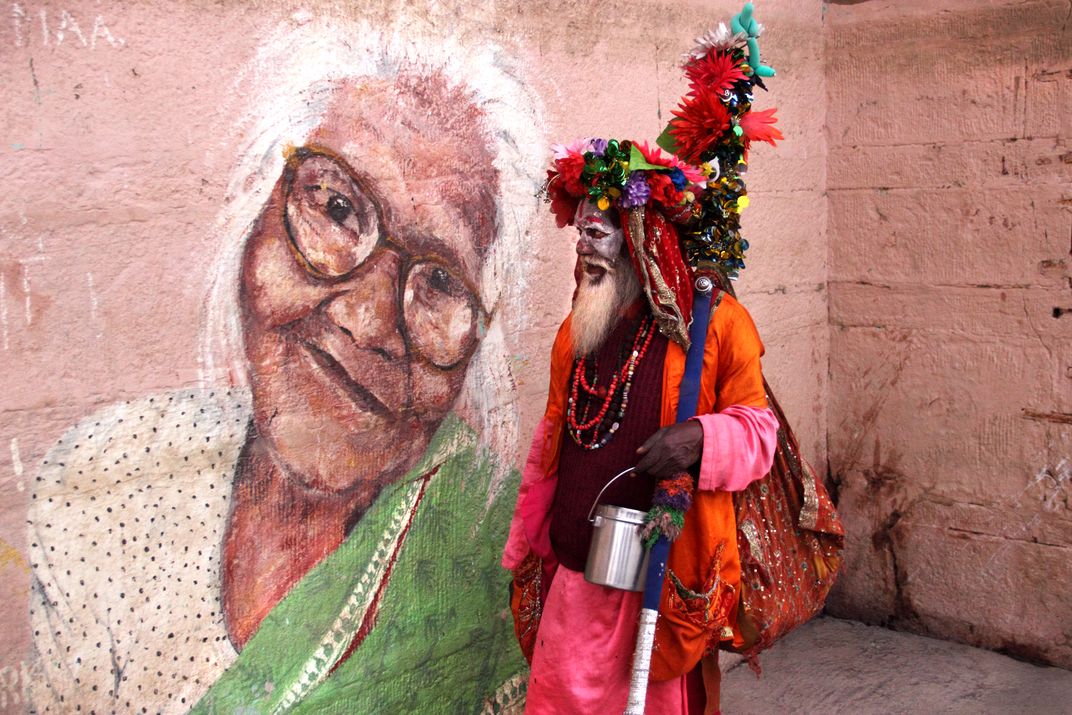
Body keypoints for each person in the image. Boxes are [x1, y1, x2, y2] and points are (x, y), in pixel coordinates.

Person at [27, 18, 542, 714]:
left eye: (442, 283)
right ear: (256, 214)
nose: (366, 322)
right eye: (335, 207)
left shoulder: (500, 567)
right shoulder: (103, 487)